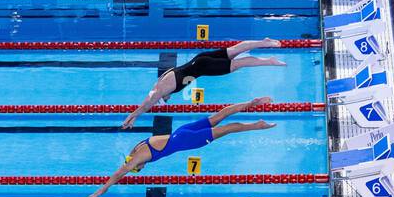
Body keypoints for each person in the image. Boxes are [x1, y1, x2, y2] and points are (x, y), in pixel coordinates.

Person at [89, 98, 275, 197]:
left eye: (139, 169)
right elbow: (126, 163)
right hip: (180, 132)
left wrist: (102, 190)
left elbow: (120, 172)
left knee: (228, 129)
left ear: (137, 165)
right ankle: (251, 103)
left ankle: (257, 125)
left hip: (187, 140)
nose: (142, 168)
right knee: (219, 116)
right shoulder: (137, 147)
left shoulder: (140, 157)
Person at [122, 39, 285, 129]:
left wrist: (132, 116)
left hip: (203, 66)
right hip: (199, 59)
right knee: (233, 50)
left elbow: (146, 104)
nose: (168, 99)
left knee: (237, 64)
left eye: (165, 100)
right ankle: (264, 42)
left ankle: (269, 61)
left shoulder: (160, 90)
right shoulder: (162, 80)